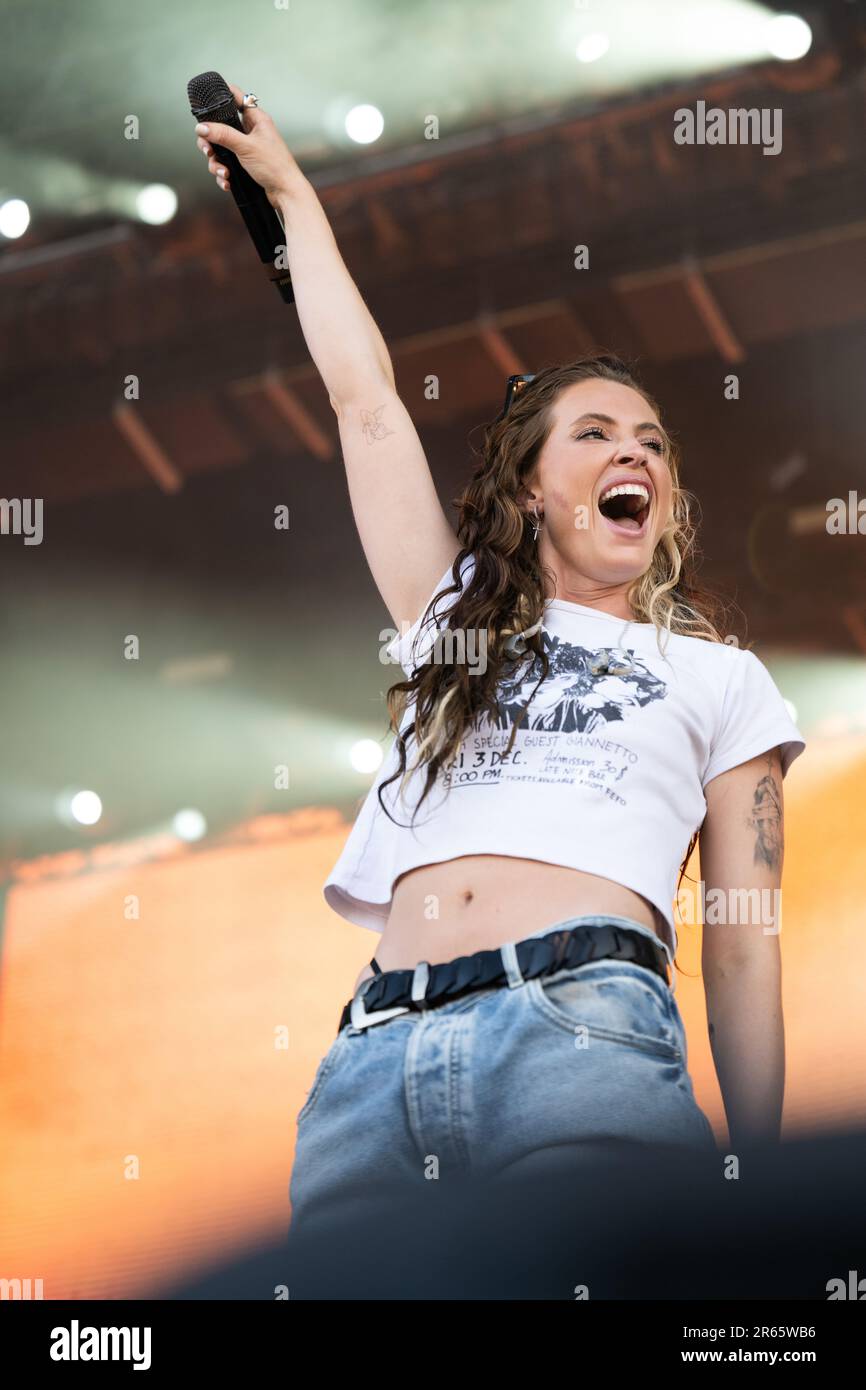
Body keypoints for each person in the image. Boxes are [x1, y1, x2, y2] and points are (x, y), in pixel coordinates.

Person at [194, 91, 807, 1235]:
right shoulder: (453, 613)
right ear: (531, 486)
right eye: (595, 434)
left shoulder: (720, 679)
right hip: (375, 1052)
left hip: (581, 1029)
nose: (634, 451)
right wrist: (291, 197)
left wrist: (757, 1188)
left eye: (651, 444)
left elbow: (741, 945)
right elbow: (365, 401)